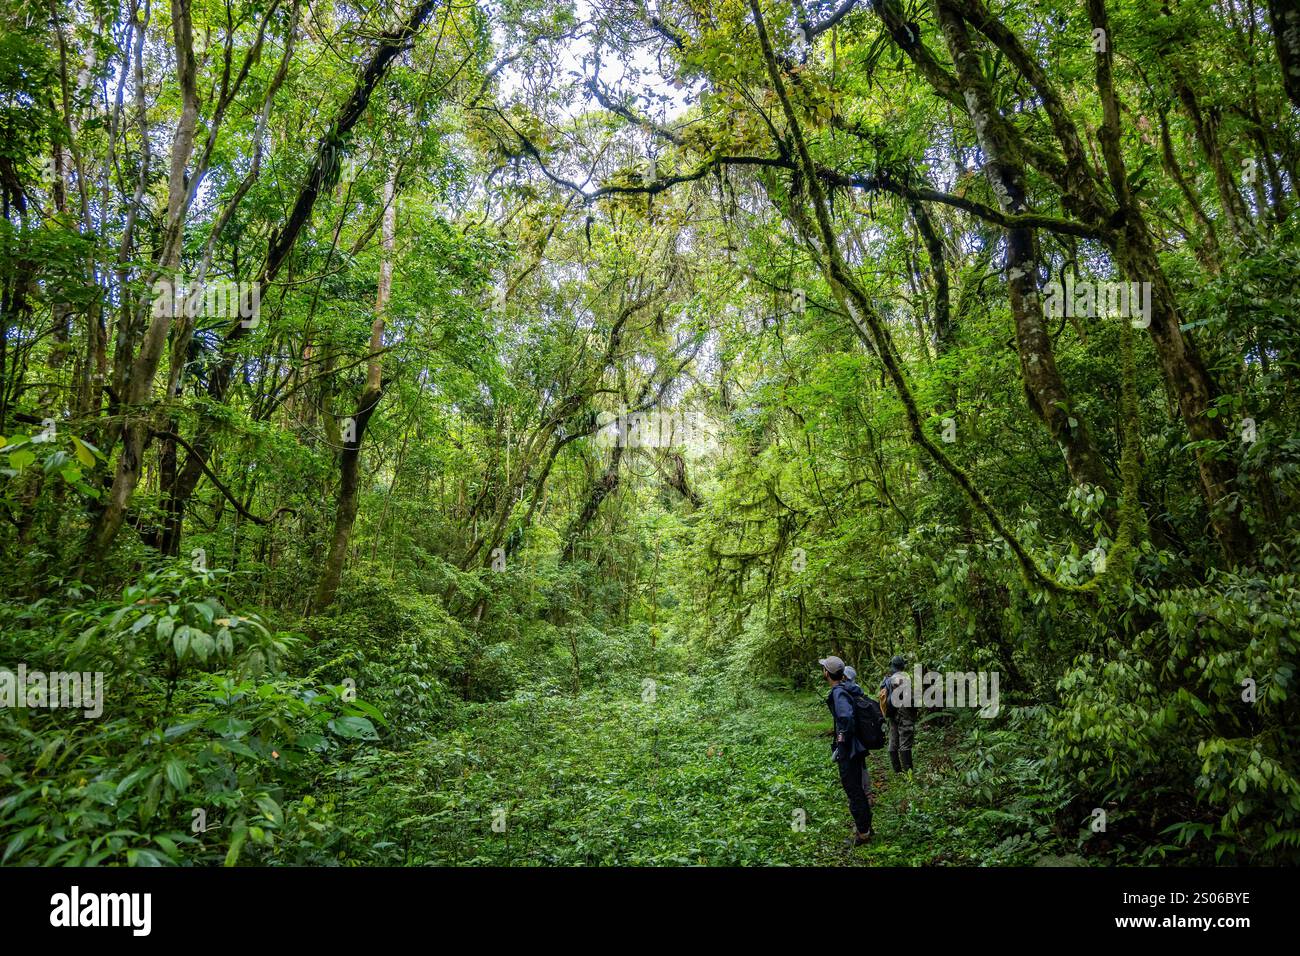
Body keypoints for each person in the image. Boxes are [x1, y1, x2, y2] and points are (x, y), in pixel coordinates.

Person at [820, 655, 874, 846]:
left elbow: (846, 718)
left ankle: (863, 832)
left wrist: (842, 740)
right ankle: (866, 827)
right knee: (857, 788)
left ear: (827, 673)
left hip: (849, 750)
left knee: (853, 790)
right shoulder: (847, 688)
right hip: (856, 747)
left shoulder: (838, 692)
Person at [880, 655, 916, 774]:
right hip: (903, 711)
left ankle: (897, 771)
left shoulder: (887, 679)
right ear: (901, 666)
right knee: (905, 741)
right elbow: (908, 698)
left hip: (891, 712)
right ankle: (909, 773)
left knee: (894, 739)